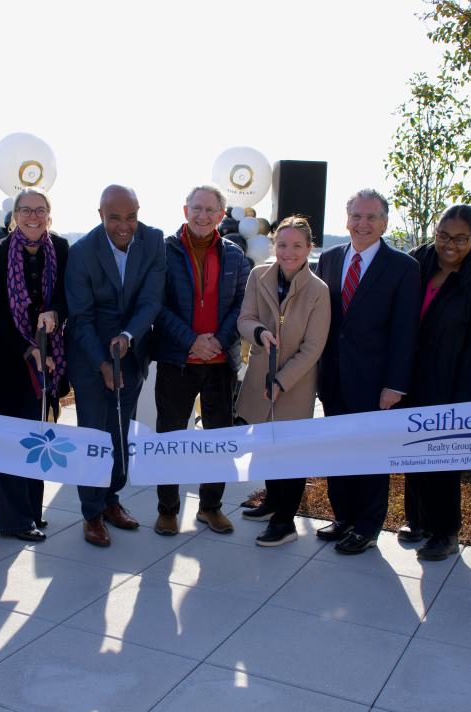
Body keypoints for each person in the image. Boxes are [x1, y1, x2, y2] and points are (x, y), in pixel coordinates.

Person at [310, 190, 419, 555]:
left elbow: (406, 331)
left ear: (385, 223)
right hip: (334, 378)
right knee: (338, 451)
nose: (363, 224)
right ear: (347, 219)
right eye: (357, 216)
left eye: (372, 217)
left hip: (375, 383)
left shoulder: (403, 267)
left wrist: (395, 384)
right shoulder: (328, 259)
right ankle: (343, 517)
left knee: (370, 456)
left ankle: (368, 527)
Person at [64, 185, 165, 547]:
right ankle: (91, 513)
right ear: (100, 215)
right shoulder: (81, 252)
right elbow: (79, 318)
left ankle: (111, 500)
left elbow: (151, 301)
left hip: (131, 349)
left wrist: (128, 336)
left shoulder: (153, 241)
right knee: (94, 435)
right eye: (115, 218)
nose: (125, 226)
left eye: (131, 216)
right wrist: (102, 363)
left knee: (119, 431)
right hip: (90, 354)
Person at [400, 205, 471, 560]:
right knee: (411, 452)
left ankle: (446, 531)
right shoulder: (416, 261)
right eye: (443, 235)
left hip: (452, 382)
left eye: (460, 238)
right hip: (410, 377)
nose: (450, 245)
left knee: (442, 459)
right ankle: (418, 521)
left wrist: (465, 398)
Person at [151, 184, 250, 536]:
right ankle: (167, 509)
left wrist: (217, 342)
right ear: (185, 210)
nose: (203, 215)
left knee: (218, 439)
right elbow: (156, 306)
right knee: (170, 438)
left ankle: (210, 507)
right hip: (178, 362)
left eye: (211, 210)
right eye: (197, 208)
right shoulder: (163, 252)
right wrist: (192, 340)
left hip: (221, 363)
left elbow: (241, 305)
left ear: (221, 216)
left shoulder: (236, 256)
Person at [235, 217, 330, 546]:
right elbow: (244, 320)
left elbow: (313, 348)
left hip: (295, 384)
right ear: (274, 244)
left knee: (289, 454)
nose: (289, 252)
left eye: (297, 246)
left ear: (309, 248)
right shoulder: (257, 275)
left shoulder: (319, 290)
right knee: (265, 446)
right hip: (260, 377)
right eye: (282, 244)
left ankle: (285, 521)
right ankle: (272, 501)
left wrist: (281, 381)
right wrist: (258, 333)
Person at [0, 189, 69, 542]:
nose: (33, 216)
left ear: (49, 214)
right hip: (10, 361)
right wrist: (28, 349)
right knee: (12, 443)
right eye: (26, 210)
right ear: (15, 214)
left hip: (49, 360)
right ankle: (14, 520)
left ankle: (33, 511)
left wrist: (56, 312)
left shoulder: (61, 248)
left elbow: (67, 294)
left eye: (40, 210)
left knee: (39, 438)